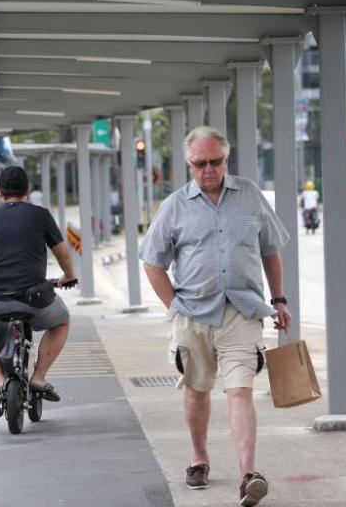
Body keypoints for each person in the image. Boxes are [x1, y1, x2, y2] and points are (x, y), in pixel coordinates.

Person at [139, 126, 291, 507]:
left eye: (215, 161)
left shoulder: (250, 195)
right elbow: (152, 261)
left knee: (240, 390)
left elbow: (270, 250)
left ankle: (248, 474)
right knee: (197, 390)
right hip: (193, 313)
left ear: (227, 158)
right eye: (199, 163)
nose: (208, 169)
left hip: (242, 311)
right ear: (189, 165)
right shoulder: (175, 205)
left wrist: (279, 300)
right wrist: (173, 305)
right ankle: (199, 458)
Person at [0, 166, 77, 405]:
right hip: (33, 298)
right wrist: (69, 275)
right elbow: (63, 254)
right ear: (27, 191)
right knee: (62, 321)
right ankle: (39, 377)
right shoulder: (41, 215)